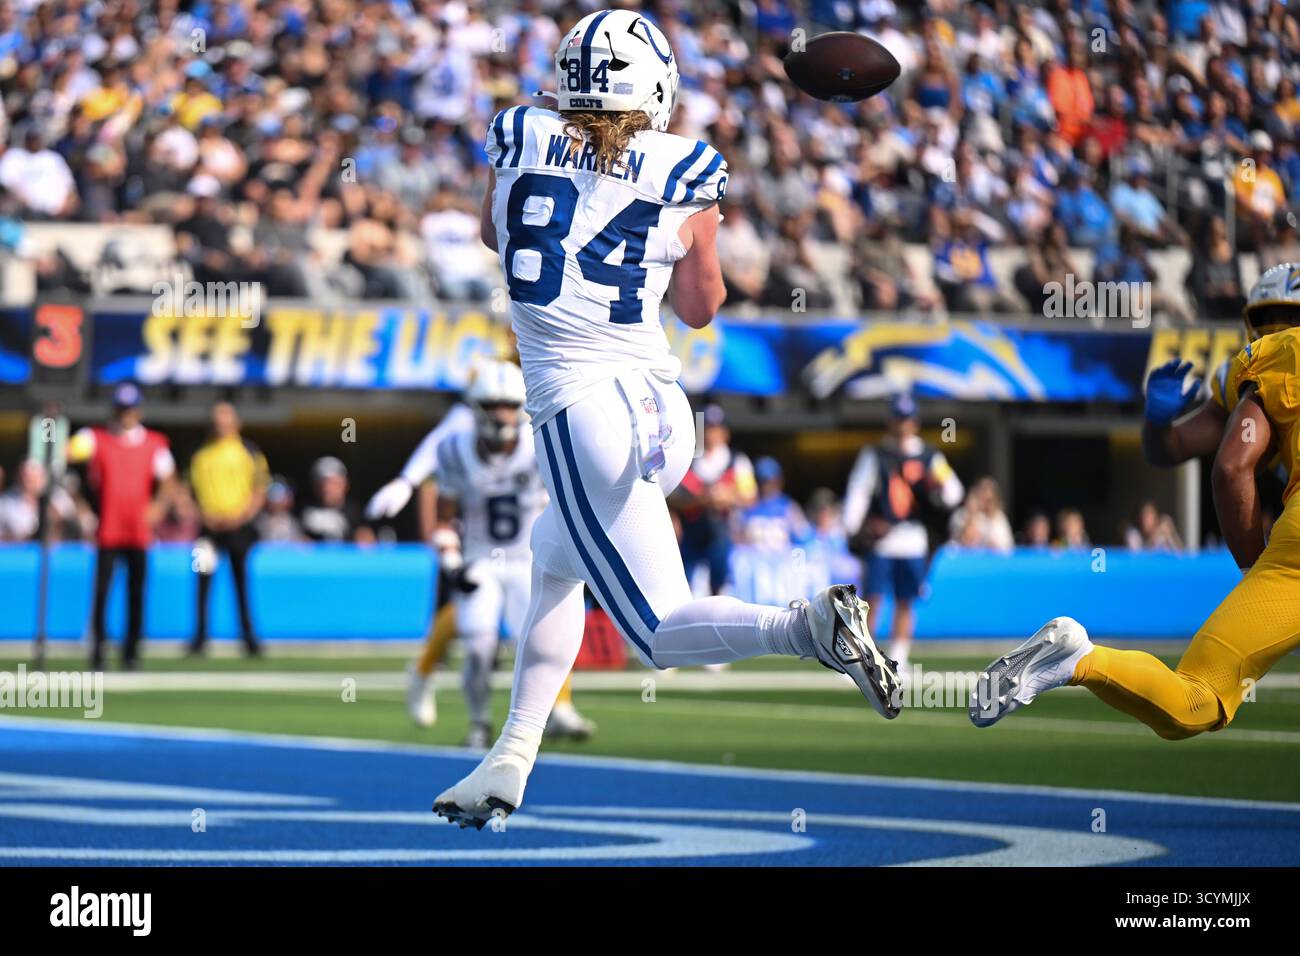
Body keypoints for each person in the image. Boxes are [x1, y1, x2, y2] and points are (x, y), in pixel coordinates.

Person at [433, 10, 901, 829]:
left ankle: (808, 629)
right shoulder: (686, 167)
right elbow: (699, 307)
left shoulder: (516, 134)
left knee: (657, 634)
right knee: (552, 556)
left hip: (583, 418)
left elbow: (490, 232)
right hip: (662, 413)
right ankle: (510, 756)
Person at [972, 322, 1300, 740]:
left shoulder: (1278, 355)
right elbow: (1189, 452)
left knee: (1194, 698)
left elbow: (1227, 464)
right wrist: (1158, 424)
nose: (1272, 326)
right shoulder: (1272, 360)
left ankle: (1080, 659)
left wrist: (1260, 577)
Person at [366, 376, 595, 742]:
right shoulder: (456, 449)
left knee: (544, 638)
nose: (501, 415)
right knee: (479, 647)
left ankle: (556, 710)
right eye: (492, 406)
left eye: (508, 406)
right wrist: (450, 558)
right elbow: (445, 517)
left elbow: (562, 498)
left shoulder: (538, 445)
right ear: (475, 410)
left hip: (527, 557)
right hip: (481, 559)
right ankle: (479, 723)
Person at [843, 393, 964, 670]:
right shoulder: (876, 454)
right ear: (891, 421)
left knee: (905, 600)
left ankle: (899, 657)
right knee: (872, 599)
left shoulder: (930, 456)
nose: (902, 425)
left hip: (913, 538)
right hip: (883, 538)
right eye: (898, 419)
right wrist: (851, 527)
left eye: (907, 419)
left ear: (915, 422)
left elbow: (954, 492)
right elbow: (859, 490)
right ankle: (862, 658)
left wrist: (937, 486)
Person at [67, 383, 175, 671]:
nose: (126, 414)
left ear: (138, 411)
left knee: (136, 592)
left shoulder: (154, 443)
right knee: (102, 592)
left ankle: (131, 652)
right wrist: (81, 505)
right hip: (109, 529)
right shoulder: (94, 438)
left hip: (138, 530)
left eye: (130, 409)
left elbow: (168, 480)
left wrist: (158, 507)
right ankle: (98, 650)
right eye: (121, 409)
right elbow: (62, 457)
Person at [187, 401, 267, 657]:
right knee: (202, 581)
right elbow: (188, 491)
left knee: (241, 582)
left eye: (226, 421)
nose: (221, 426)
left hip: (238, 529)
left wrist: (240, 516)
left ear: (236, 424)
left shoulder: (249, 451)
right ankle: (200, 638)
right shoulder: (200, 452)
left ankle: (249, 638)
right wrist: (203, 515)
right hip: (207, 530)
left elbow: (259, 489)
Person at [671, 404, 756, 595]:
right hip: (691, 531)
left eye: (716, 429)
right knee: (685, 584)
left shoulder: (736, 460)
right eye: (707, 429)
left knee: (720, 583)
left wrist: (727, 496)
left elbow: (749, 496)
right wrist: (703, 499)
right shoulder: (686, 459)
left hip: (721, 531)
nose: (711, 435)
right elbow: (672, 497)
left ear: (725, 433)